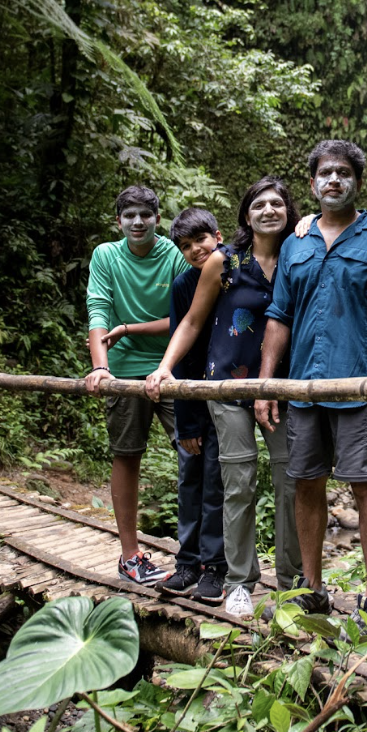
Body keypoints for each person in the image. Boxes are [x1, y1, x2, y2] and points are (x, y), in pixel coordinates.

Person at [255, 140, 367, 640]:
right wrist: (267, 384)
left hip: (361, 387)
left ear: (357, 183)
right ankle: (312, 587)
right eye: (325, 173)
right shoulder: (295, 244)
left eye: (343, 173)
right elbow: (278, 316)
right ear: (312, 184)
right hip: (303, 387)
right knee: (306, 482)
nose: (333, 180)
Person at [146, 176, 303, 617]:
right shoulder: (225, 261)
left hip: (281, 389)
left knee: (291, 483)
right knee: (237, 485)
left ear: (289, 211)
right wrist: (164, 368)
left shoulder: (301, 255)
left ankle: (292, 584)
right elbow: (193, 322)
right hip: (227, 387)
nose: (269, 211)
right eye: (259, 205)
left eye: (278, 204)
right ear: (245, 215)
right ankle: (240, 581)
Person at [86, 185, 190, 586]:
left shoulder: (174, 256)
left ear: (157, 219)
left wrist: (129, 328)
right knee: (126, 455)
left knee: (194, 451)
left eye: (145, 214)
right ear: (118, 221)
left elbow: (184, 318)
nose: (137, 221)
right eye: (129, 215)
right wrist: (101, 368)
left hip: (170, 368)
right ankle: (130, 556)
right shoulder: (106, 256)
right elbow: (99, 309)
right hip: (124, 371)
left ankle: (195, 553)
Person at [156, 208, 227, 604]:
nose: (196, 250)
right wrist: (186, 422)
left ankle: (214, 569)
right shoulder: (184, 285)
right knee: (190, 481)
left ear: (217, 236)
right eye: (185, 246)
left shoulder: (237, 270)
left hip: (230, 393)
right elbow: (181, 352)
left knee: (217, 483)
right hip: (192, 395)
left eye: (201, 239)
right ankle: (187, 563)